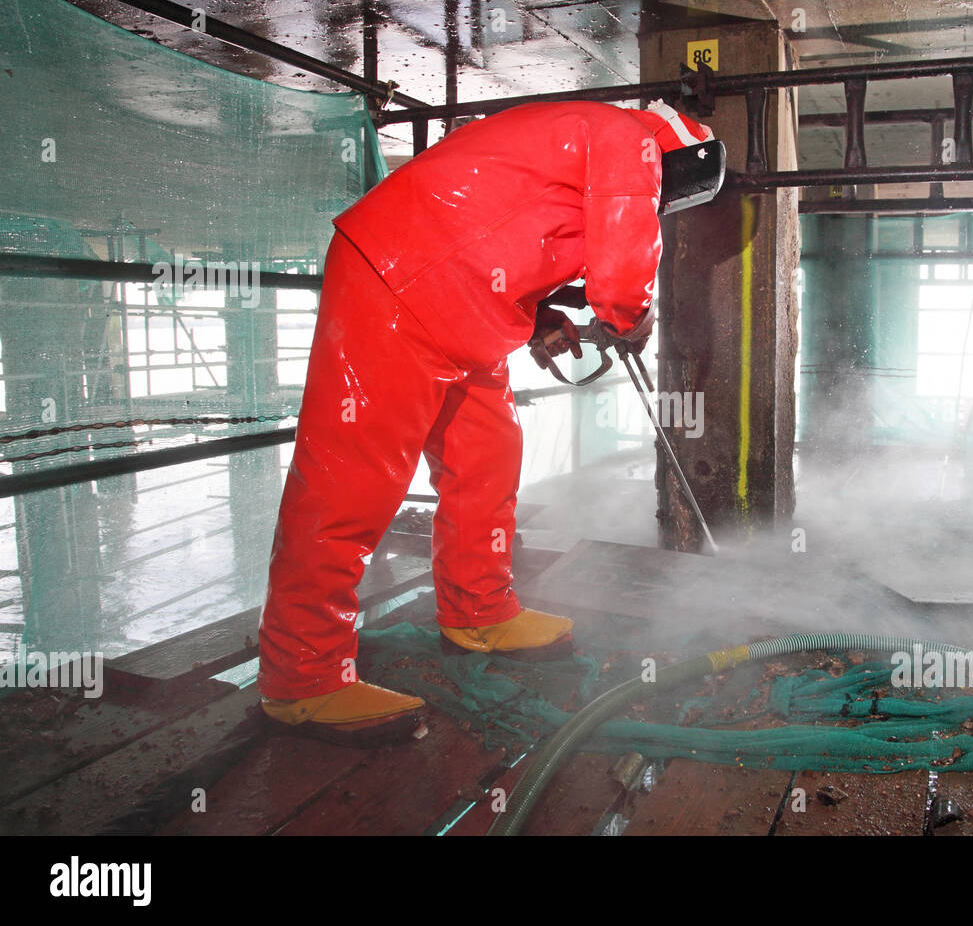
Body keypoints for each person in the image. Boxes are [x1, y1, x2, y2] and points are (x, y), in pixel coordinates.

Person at [256, 99, 720, 744]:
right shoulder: (626, 137)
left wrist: (538, 318)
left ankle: (478, 610)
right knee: (349, 481)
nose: (657, 204)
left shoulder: (583, 144)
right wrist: (627, 313)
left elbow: (488, 238)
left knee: (486, 460)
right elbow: (623, 245)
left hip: (448, 300)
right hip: (396, 289)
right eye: (664, 199)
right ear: (677, 163)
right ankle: (302, 676)